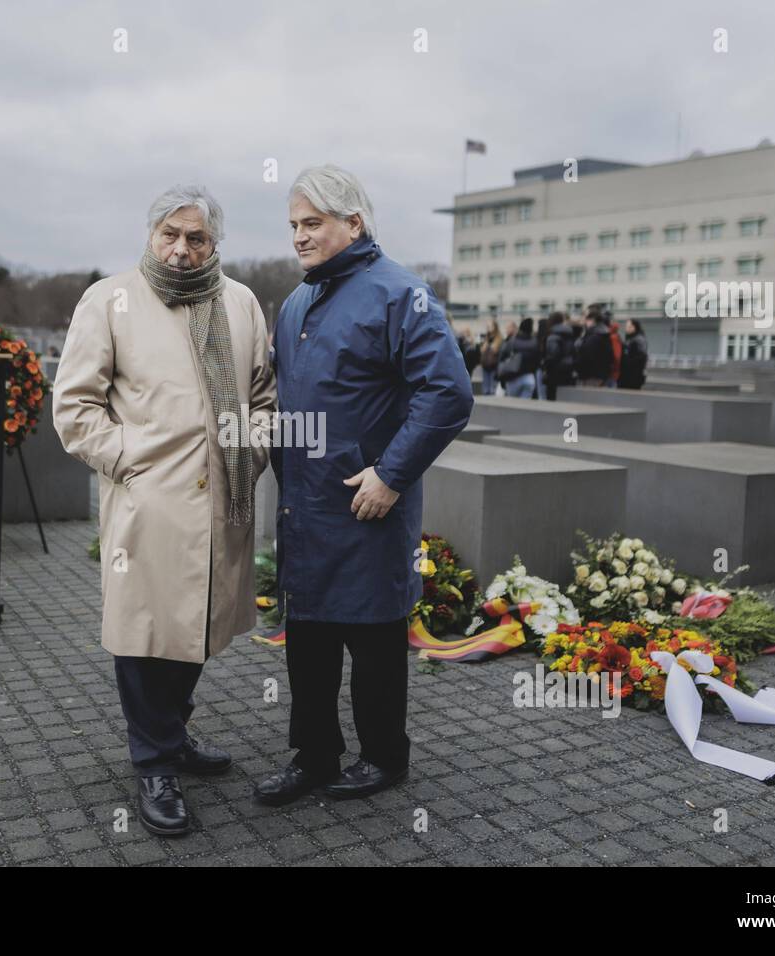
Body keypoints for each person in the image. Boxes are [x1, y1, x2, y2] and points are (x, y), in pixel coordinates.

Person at [51, 184, 277, 837]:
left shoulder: (240, 304)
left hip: (222, 503)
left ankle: (172, 736)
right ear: (152, 235)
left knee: (197, 627)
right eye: (170, 234)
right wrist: (130, 462)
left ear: (215, 243)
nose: (182, 249)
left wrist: (254, 449)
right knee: (143, 633)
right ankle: (153, 761)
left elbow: (262, 396)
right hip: (149, 505)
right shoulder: (109, 300)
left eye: (197, 237)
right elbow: (75, 407)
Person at [254, 164, 473, 806]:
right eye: (293, 225)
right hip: (305, 508)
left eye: (312, 223)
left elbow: (449, 393)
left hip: (366, 504)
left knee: (375, 642)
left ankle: (385, 757)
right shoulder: (296, 302)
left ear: (354, 223)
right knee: (310, 643)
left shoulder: (400, 294)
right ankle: (314, 755)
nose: (299, 236)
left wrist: (391, 474)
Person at [496, 317, 541, 398]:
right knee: (524, 405)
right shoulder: (535, 342)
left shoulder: (512, 341)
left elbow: (502, 357)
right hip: (529, 378)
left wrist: (501, 377)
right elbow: (537, 361)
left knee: (512, 404)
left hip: (513, 377)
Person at [575, 304, 614, 386]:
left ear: (592, 319)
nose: (583, 320)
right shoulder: (601, 332)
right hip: (598, 375)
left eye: (585, 317)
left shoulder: (594, 335)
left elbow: (586, 357)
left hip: (591, 376)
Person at [541, 311, 576, 400]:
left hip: (554, 374)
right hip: (568, 371)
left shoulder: (553, 335)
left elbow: (552, 355)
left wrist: (544, 365)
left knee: (552, 400)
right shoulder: (570, 334)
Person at [618, 318, 649, 389]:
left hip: (633, 376)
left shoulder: (638, 340)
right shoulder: (630, 338)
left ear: (634, 327)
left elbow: (641, 358)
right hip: (627, 375)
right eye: (626, 326)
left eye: (629, 327)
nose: (626, 329)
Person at [479, 320, 503, 395]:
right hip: (485, 364)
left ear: (495, 327)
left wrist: (489, 346)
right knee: (485, 388)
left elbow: (495, 350)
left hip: (494, 365)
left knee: (492, 388)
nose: (488, 327)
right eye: (488, 326)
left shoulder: (499, 338)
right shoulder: (486, 338)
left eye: (490, 326)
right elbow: (482, 350)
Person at [607, 311, 623, 388]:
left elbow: (616, 357)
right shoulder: (615, 335)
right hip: (613, 372)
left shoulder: (612, 337)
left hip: (611, 373)